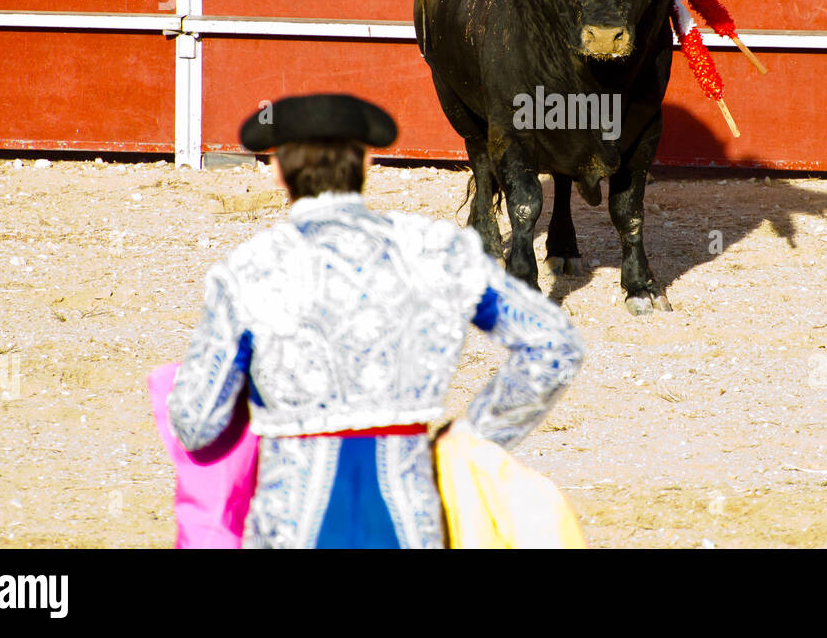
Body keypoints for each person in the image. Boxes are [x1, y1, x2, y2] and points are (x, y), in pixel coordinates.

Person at [167, 93, 584, 548]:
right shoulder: (435, 251)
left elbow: (193, 421)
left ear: (278, 172)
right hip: (409, 516)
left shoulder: (249, 270)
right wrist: (472, 434)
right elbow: (554, 345)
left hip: (292, 520)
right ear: (365, 164)